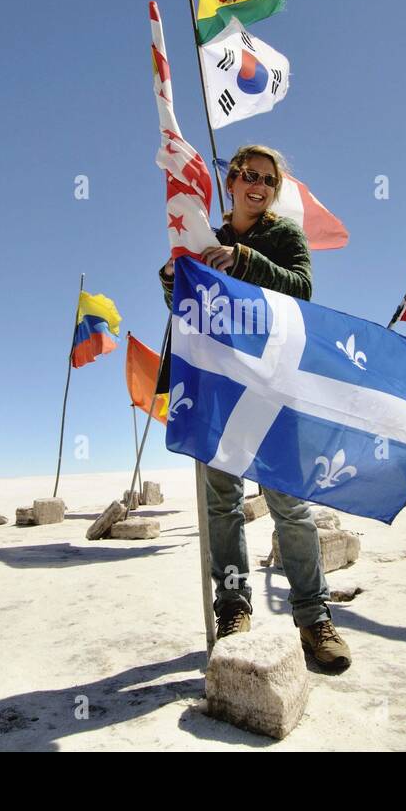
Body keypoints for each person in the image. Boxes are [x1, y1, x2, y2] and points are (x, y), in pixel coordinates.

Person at [160, 144, 350, 671]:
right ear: (231, 182)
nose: (256, 184)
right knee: (222, 502)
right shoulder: (203, 235)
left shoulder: (283, 236)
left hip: (272, 383)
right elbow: (189, 311)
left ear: (275, 189)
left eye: (267, 179)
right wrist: (175, 280)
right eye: (247, 174)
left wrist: (245, 260)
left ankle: (313, 617)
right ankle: (234, 608)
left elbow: (302, 288)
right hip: (217, 386)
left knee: (288, 500)